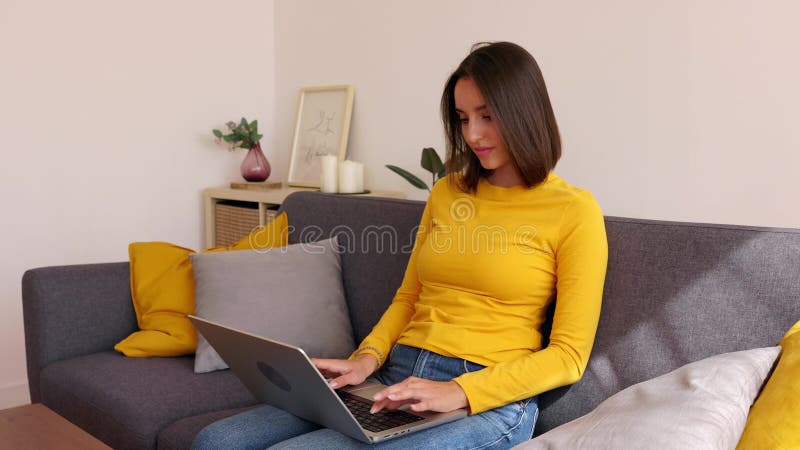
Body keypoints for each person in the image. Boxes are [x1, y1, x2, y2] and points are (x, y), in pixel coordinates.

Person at [192, 41, 608, 450]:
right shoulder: (447, 193)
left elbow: (568, 355)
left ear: (524, 113)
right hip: (399, 375)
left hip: (486, 398)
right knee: (217, 440)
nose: (473, 134)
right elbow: (410, 296)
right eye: (463, 118)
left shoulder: (573, 210)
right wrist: (367, 358)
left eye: (487, 116)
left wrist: (459, 390)